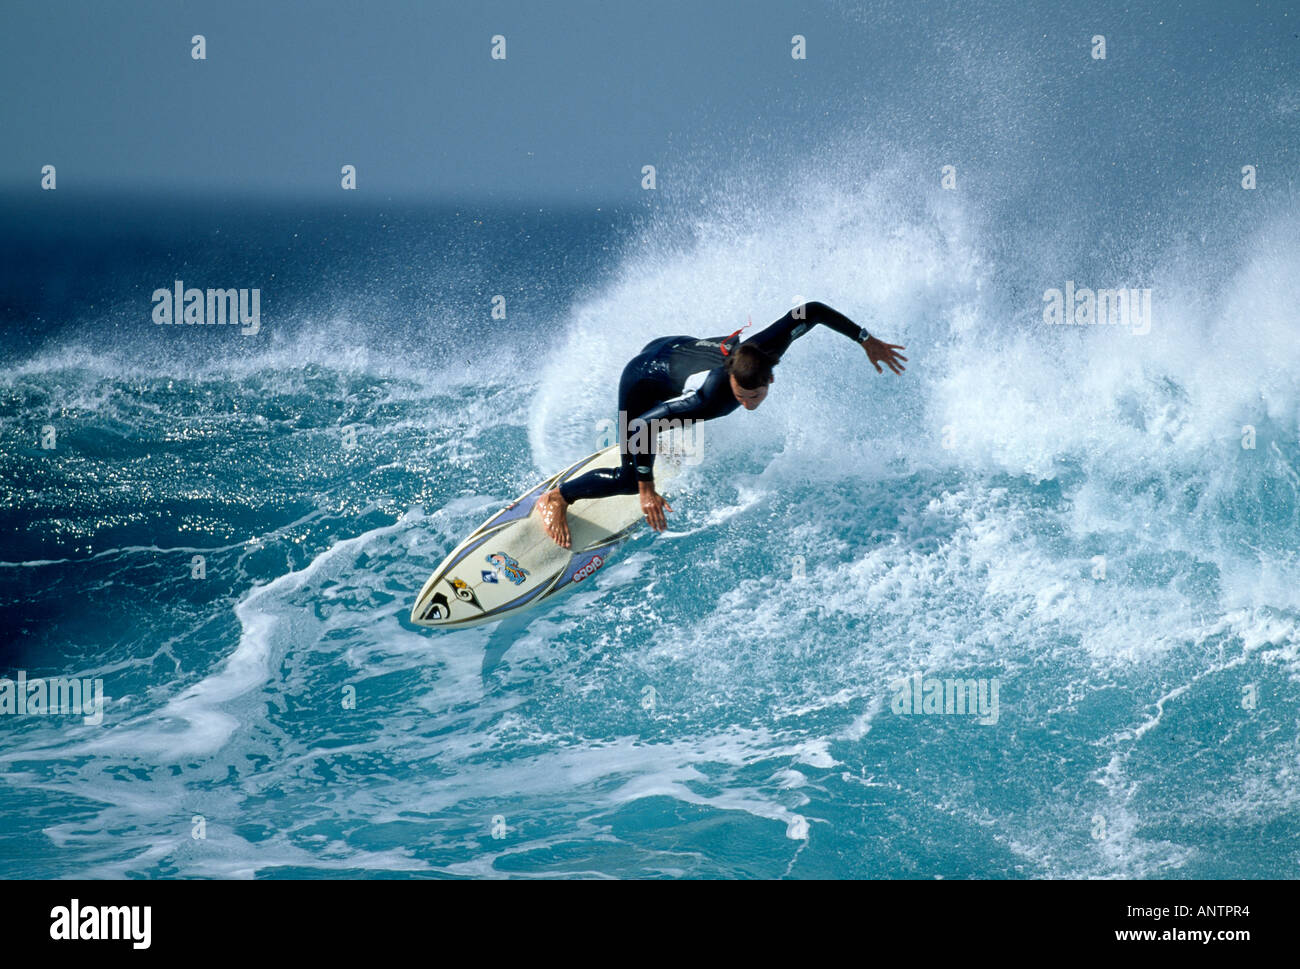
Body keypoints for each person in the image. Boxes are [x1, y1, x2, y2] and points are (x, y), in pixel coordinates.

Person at [534, 301, 906, 547]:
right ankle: (559, 496)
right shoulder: (711, 397)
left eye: (755, 397)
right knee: (632, 477)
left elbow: (810, 310)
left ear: (769, 379)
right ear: (731, 381)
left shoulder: (765, 350)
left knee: (672, 427)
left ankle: (661, 443)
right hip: (642, 376)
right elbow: (640, 427)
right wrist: (647, 490)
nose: (748, 405)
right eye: (742, 397)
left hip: (671, 348)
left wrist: (865, 339)